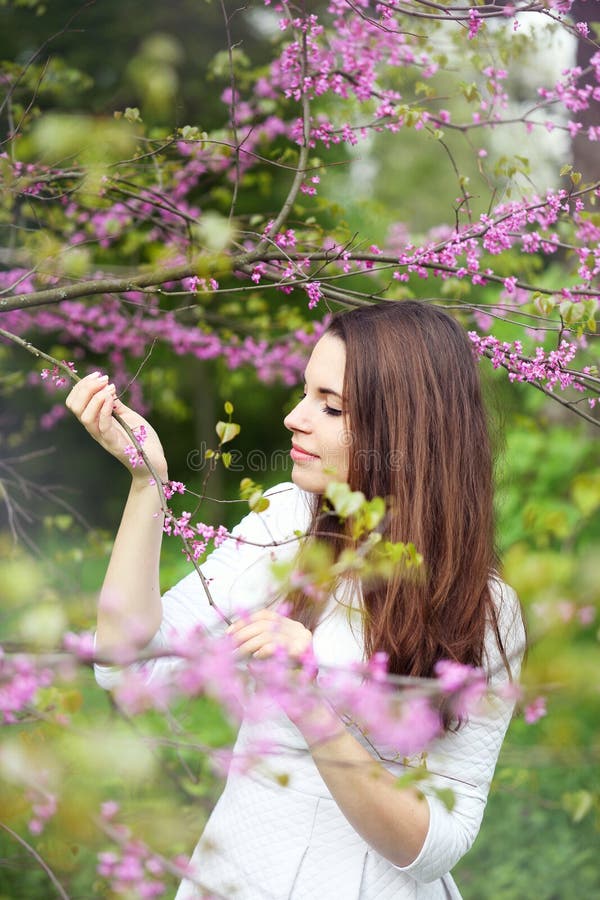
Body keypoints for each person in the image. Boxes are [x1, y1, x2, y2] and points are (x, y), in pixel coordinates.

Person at [66, 300, 526, 900]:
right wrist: (146, 483)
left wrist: (311, 702)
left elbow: (438, 841)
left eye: (330, 406)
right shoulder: (283, 521)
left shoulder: (484, 606)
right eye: (304, 394)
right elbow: (127, 664)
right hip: (239, 874)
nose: (293, 418)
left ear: (405, 429)